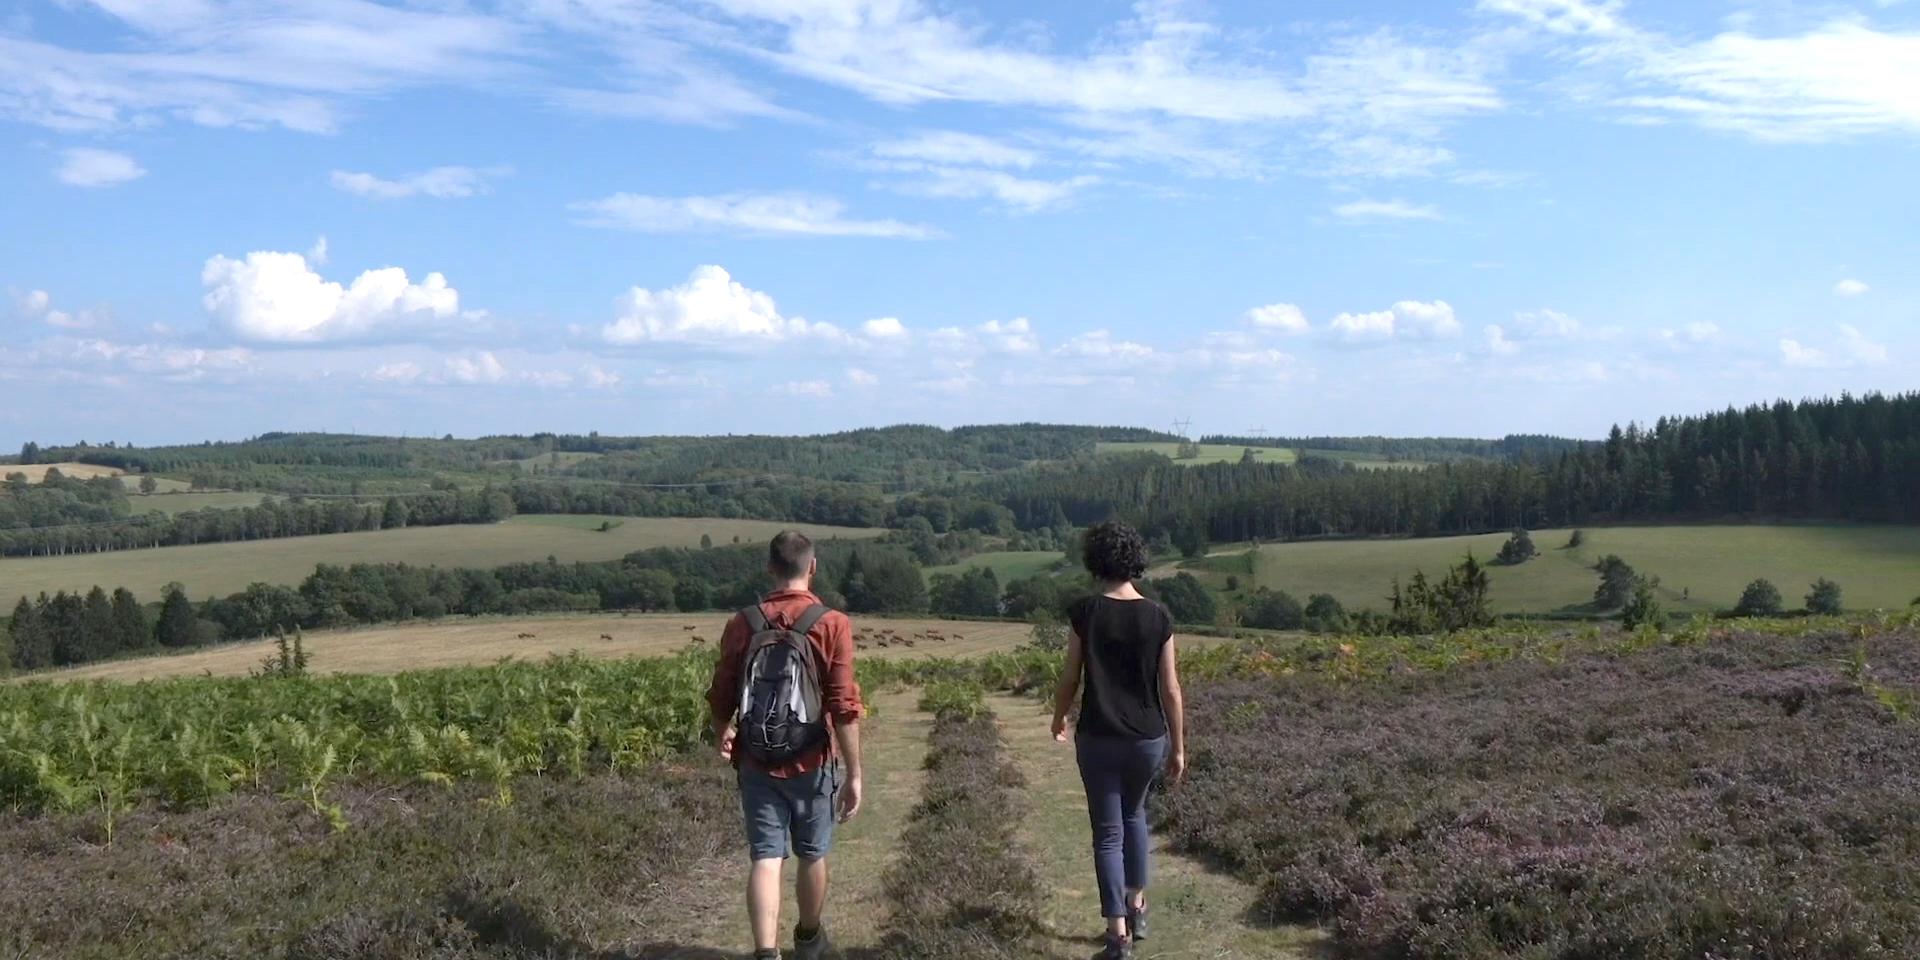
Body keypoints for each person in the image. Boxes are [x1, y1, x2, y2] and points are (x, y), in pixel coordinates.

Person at [707, 530, 865, 960]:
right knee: (812, 854)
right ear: (812, 567)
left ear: (770, 568)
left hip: (756, 759)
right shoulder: (833, 623)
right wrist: (854, 773)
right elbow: (844, 705)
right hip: (813, 759)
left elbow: (722, 688)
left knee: (765, 856)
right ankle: (809, 939)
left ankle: (765, 952)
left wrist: (723, 728)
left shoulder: (743, 621)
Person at [1050, 521, 1187, 960]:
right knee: (1135, 818)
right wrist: (1179, 746)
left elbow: (1071, 676)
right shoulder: (1158, 616)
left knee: (1107, 834)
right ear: (1135, 560)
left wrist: (1058, 718)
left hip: (1098, 736)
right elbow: (1170, 689)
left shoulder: (1085, 612)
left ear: (1096, 561)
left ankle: (1118, 935)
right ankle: (1137, 905)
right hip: (1148, 739)